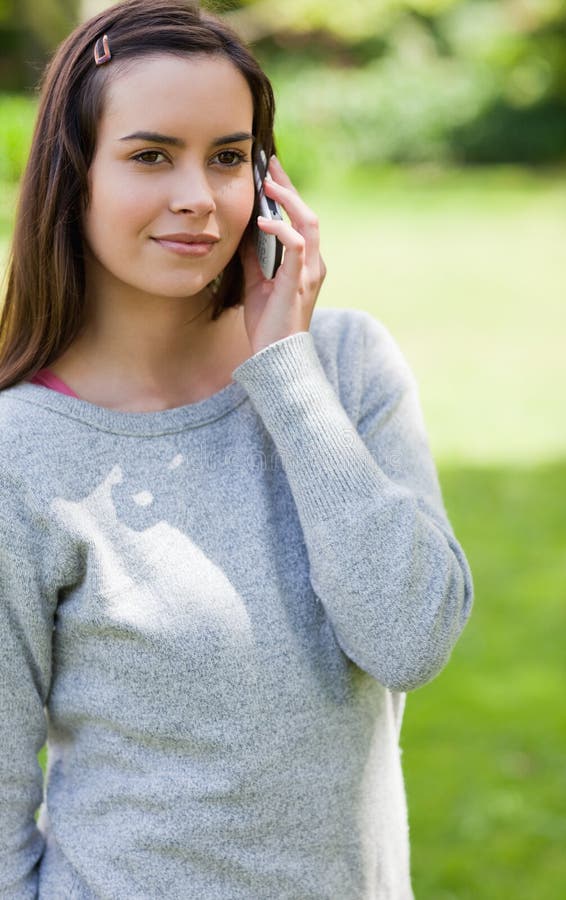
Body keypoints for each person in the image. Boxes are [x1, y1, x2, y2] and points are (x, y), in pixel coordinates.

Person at [0, 1, 474, 897]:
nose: (199, 197)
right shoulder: (18, 451)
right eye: (150, 155)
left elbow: (410, 639)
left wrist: (288, 377)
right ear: (74, 175)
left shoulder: (345, 367)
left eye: (229, 156)